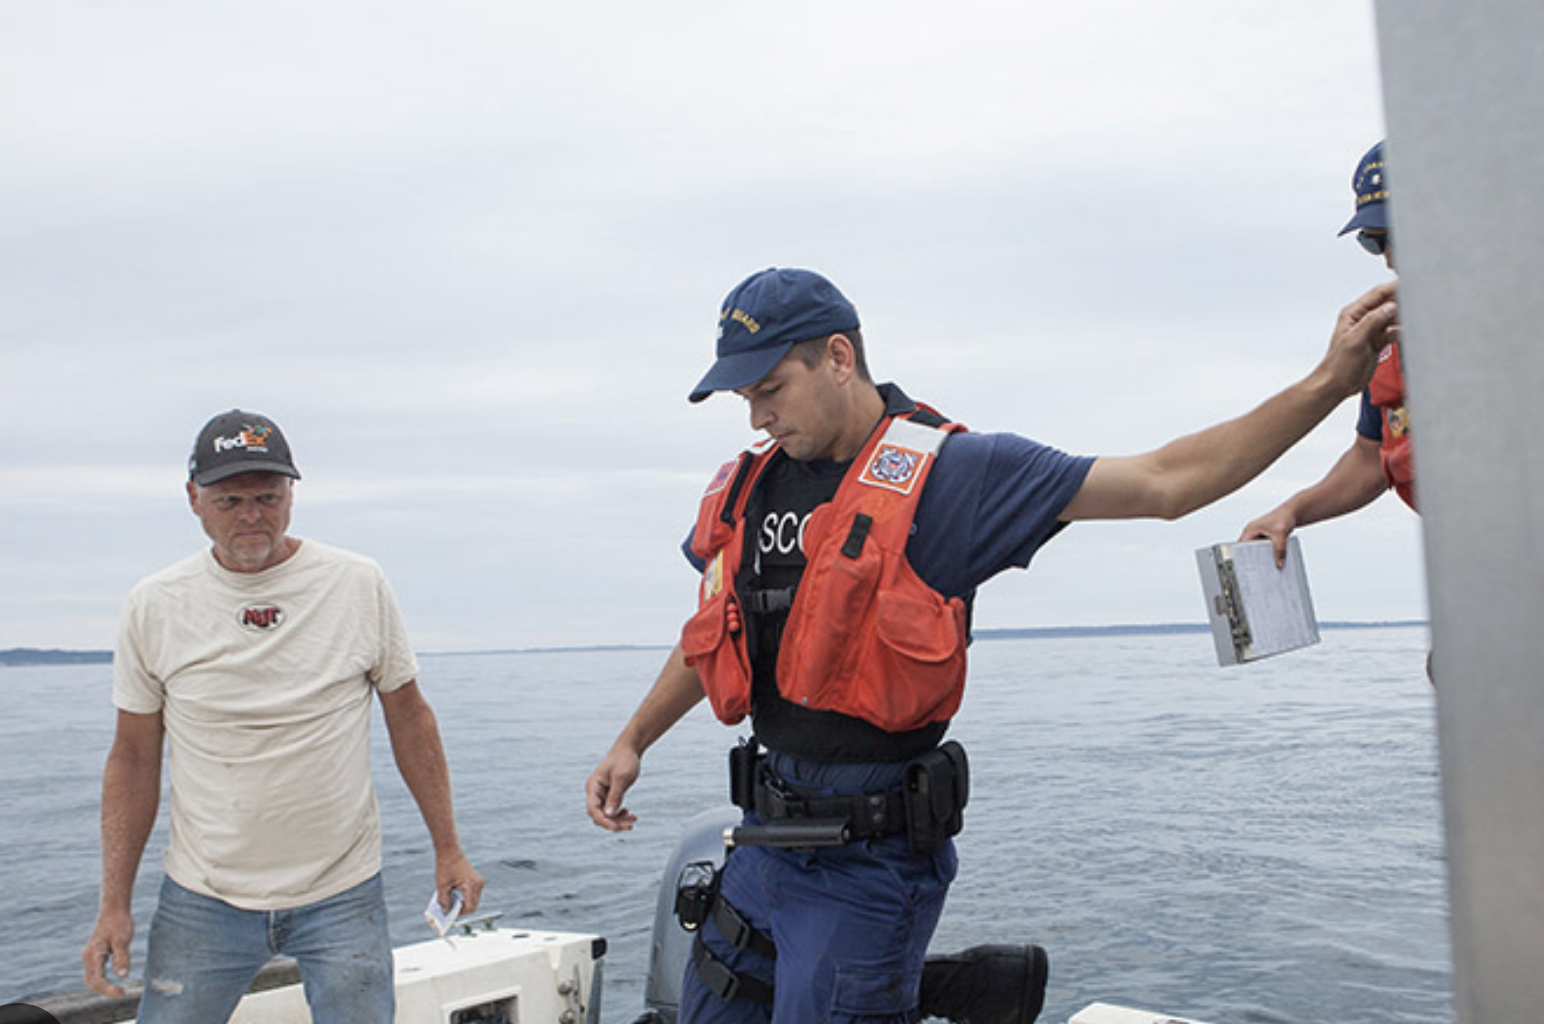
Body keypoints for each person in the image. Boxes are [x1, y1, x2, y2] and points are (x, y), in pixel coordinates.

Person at [585, 267, 1399, 1024]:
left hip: (866, 871)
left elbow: (1165, 482)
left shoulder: (958, 476)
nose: (759, 415)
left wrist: (1331, 380)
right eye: (745, 398)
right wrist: (633, 740)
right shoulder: (753, 487)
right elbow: (714, 634)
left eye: (771, 388)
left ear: (839, 358)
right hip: (759, 850)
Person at [81, 410, 484, 1024]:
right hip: (202, 897)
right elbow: (133, 757)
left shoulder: (357, 582)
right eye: (230, 499)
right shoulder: (154, 604)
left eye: (268, 497)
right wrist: (114, 904)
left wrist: (449, 849)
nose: (251, 515)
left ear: (293, 494)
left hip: (343, 892)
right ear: (193, 499)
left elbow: (410, 719)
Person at [1240, 140, 1412, 566]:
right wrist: (1292, 511)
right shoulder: (1387, 340)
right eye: (1375, 241)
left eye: (1399, 234)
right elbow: (1370, 459)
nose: (1389, 259)